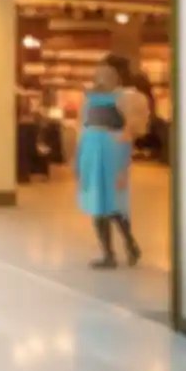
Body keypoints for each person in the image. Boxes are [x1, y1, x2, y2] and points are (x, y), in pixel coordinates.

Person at [75, 55, 143, 269]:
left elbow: (132, 129)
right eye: (100, 72)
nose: (101, 76)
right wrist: (78, 159)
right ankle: (111, 252)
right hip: (92, 149)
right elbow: (82, 126)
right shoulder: (90, 98)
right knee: (98, 203)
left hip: (112, 151)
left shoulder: (126, 97)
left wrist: (123, 162)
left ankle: (127, 245)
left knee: (112, 203)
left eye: (107, 72)